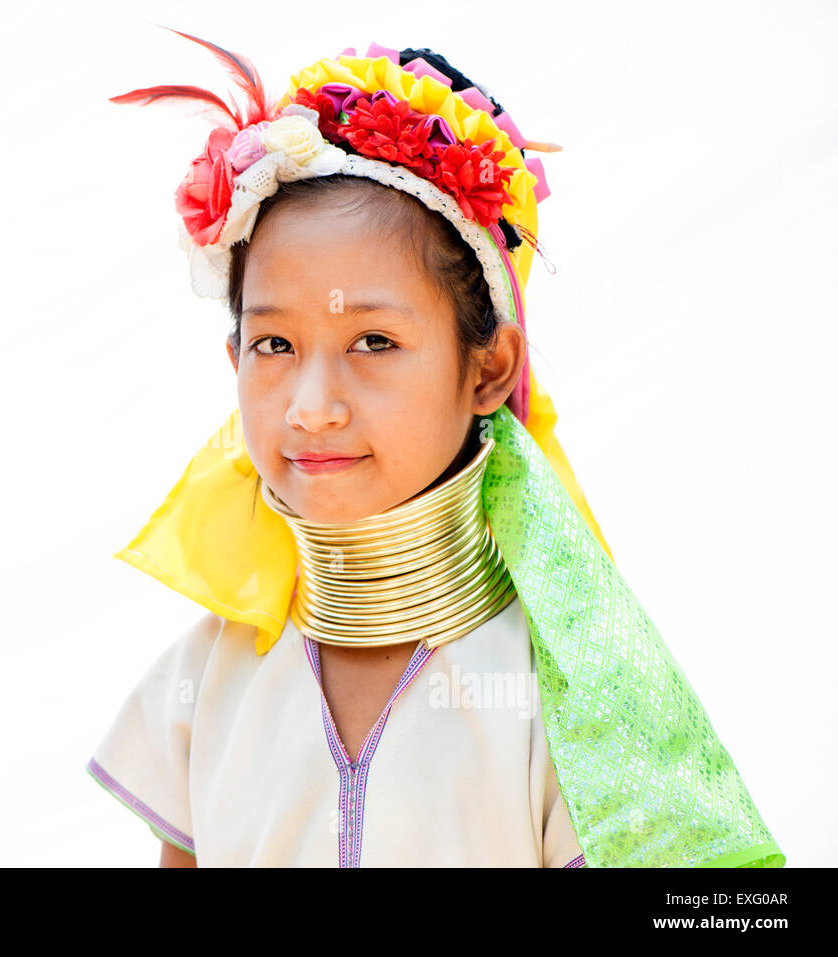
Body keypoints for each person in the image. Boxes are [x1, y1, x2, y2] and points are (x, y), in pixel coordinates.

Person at [84, 31, 785, 868]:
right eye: (274, 346)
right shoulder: (204, 683)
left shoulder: (568, 704)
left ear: (488, 369)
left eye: (373, 340)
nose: (311, 408)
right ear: (234, 361)